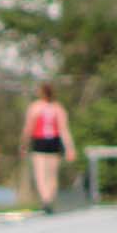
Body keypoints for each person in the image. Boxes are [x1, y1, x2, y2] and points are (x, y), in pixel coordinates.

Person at [20, 82, 76, 214]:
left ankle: (46, 199)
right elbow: (64, 130)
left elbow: (29, 128)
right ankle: (49, 199)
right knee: (52, 174)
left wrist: (23, 144)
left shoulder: (35, 107)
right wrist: (69, 148)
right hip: (53, 142)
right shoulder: (58, 108)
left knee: (41, 173)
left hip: (40, 141)